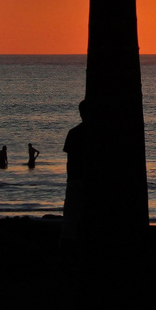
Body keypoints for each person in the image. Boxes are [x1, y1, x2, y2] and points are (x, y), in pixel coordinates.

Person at [61, 103, 89, 242]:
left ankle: (69, 240)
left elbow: (70, 159)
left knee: (71, 215)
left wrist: (70, 177)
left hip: (75, 177)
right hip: (82, 178)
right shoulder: (98, 134)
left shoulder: (74, 132)